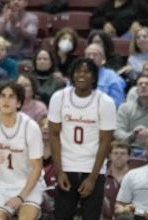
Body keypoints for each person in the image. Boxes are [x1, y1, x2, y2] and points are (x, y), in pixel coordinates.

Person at [48, 58, 117, 220]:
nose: (81, 75)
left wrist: (93, 178)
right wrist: (59, 171)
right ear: (72, 75)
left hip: (92, 169)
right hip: (66, 167)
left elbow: (105, 142)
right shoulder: (59, 98)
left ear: (94, 77)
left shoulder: (105, 102)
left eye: (87, 72)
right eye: (78, 71)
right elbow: (53, 135)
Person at [0, 80, 44, 220]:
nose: (6, 100)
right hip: (0, 186)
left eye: (11, 96)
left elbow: (37, 168)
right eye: (2, 96)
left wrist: (20, 197)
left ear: (19, 103)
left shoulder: (31, 126)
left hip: (28, 185)